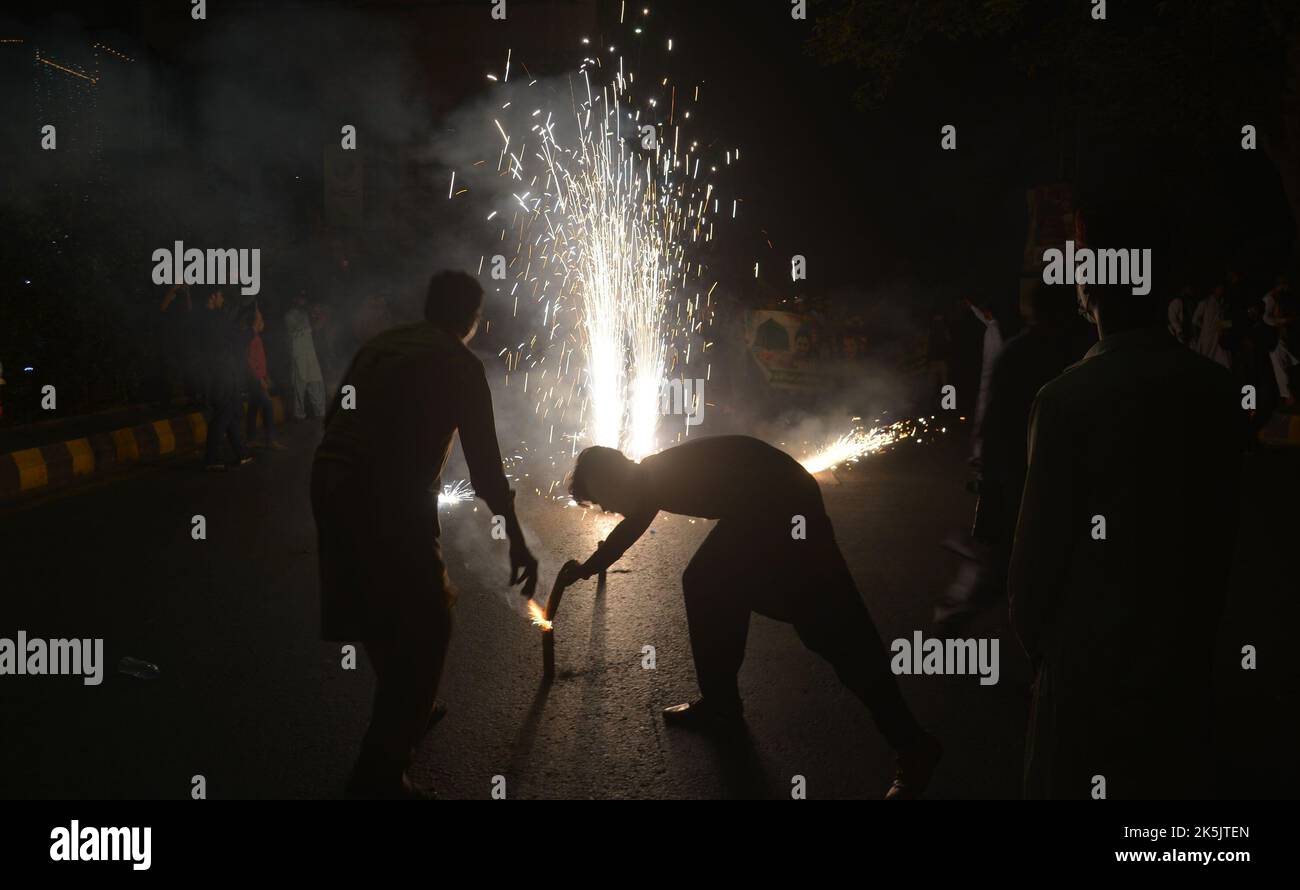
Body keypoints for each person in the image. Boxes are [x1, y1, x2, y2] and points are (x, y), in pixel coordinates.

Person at [1008, 199, 1243, 799]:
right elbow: (1220, 538)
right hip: (1183, 664)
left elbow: (1033, 570)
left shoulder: (1065, 401)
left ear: (1089, 290)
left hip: (1086, 672)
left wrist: (1047, 656)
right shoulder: (1216, 391)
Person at [558, 435, 942, 799]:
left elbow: (747, 498)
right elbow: (632, 527)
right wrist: (589, 566)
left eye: (601, 499)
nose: (606, 509)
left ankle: (914, 747)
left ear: (612, 477)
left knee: (834, 630)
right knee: (709, 583)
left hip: (783, 505)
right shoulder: (648, 477)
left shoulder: (659, 476)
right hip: (770, 502)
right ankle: (721, 703)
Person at [311, 270, 538, 799]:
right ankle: (382, 770)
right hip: (385, 491)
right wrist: (519, 542)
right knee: (431, 622)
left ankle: (407, 697)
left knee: (373, 606)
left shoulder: (383, 345)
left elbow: (332, 418)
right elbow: (485, 468)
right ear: (471, 321)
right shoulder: (460, 364)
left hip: (329, 478)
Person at [934, 283, 1080, 627]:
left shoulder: (1019, 350)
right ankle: (956, 615)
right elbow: (995, 409)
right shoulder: (1062, 352)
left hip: (1019, 469)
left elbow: (992, 409)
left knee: (1008, 551)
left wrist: (983, 463)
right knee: (1004, 554)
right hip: (1030, 470)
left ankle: (959, 613)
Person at [199, 290, 252, 471]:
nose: (223, 299)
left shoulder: (207, 319)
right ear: (213, 296)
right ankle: (211, 459)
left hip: (218, 373)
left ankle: (242, 453)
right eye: (221, 296)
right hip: (222, 374)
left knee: (227, 415)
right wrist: (250, 332)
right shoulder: (214, 320)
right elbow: (233, 339)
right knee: (222, 416)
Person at [240, 304, 284, 451]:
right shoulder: (253, 339)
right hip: (255, 379)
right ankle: (270, 440)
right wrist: (260, 379)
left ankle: (251, 439)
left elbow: (258, 360)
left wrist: (266, 376)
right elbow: (250, 361)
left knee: (253, 408)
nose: (263, 322)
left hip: (256, 378)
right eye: (261, 319)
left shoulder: (255, 337)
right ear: (256, 323)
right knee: (267, 406)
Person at [966, 296, 1004, 463]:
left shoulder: (993, 331)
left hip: (990, 381)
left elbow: (997, 357)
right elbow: (982, 318)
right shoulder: (992, 326)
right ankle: (980, 454)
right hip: (988, 380)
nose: (983, 314)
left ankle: (981, 455)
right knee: (982, 419)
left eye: (984, 311)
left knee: (983, 419)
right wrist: (972, 307)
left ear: (989, 312)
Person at [285, 291, 326, 420]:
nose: (303, 301)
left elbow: (316, 327)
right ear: (295, 300)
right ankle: (299, 415)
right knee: (300, 386)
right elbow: (298, 330)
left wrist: (318, 318)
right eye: (300, 298)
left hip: (310, 353)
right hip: (299, 353)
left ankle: (320, 413)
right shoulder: (290, 315)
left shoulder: (307, 314)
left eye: (304, 298)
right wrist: (313, 319)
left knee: (316, 383)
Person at [1262, 275, 1295, 406]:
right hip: (1273, 338)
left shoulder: (1276, 298)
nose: (1286, 289)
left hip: (1278, 336)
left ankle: (1288, 394)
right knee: (1279, 365)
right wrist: (1283, 321)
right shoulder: (1269, 299)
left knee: (1284, 363)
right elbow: (1266, 319)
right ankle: (1287, 396)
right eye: (1284, 286)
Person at [1192, 284, 1231, 368]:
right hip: (1207, 338)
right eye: (1219, 288)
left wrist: (1228, 324)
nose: (1221, 290)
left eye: (1222, 288)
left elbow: (1220, 322)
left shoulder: (1222, 304)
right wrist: (1206, 327)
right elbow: (1195, 320)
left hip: (1218, 338)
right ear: (1214, 289)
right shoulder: (1205, 303)